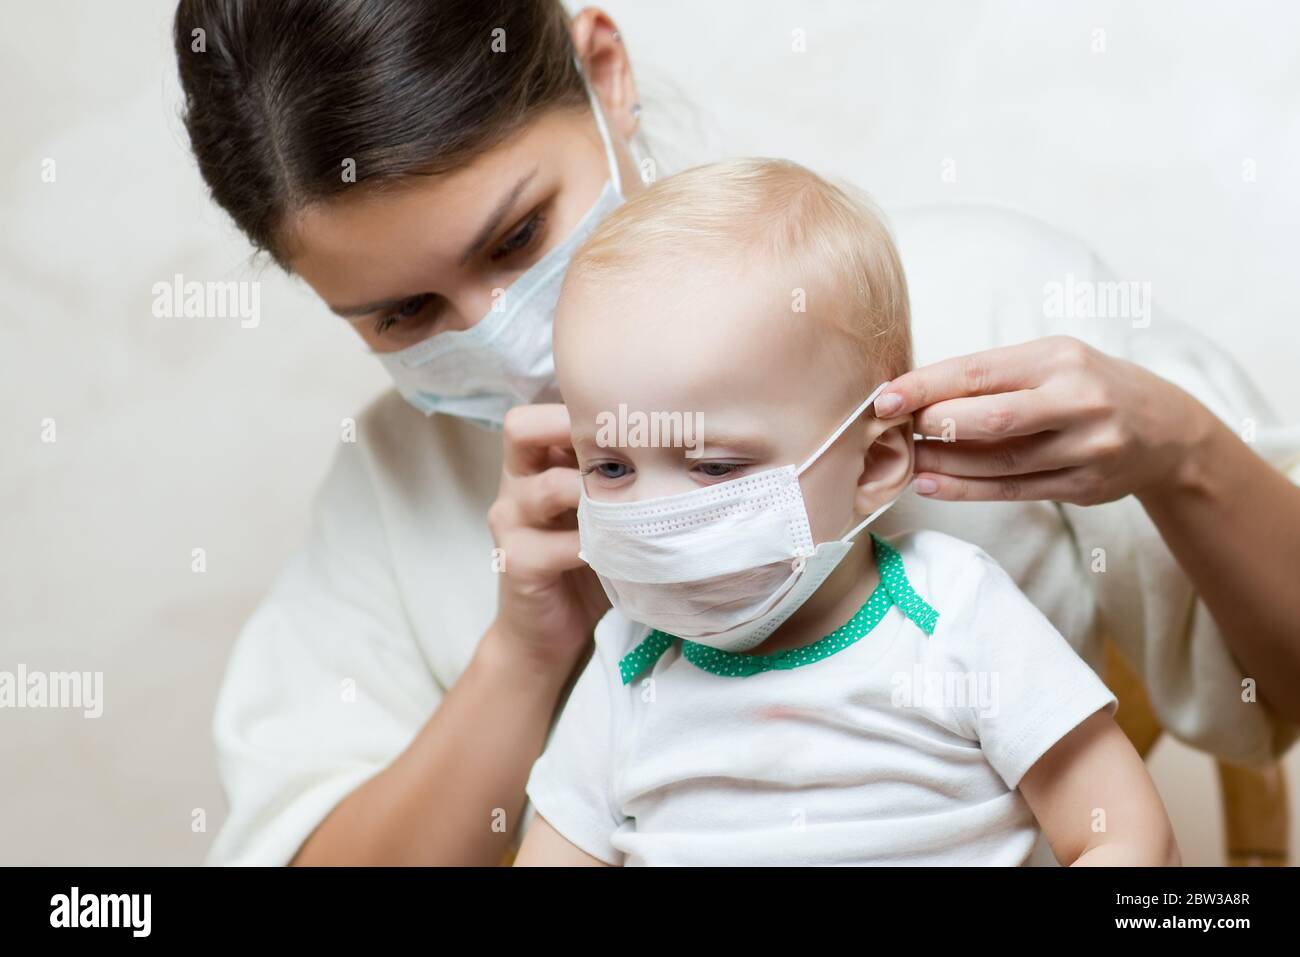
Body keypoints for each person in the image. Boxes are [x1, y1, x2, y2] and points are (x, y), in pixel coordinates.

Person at [171, 0, 1299, 865]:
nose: (506, 338)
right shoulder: (390, 484)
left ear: (604, 76)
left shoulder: (984, 298)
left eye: (518, 239)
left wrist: (1183, 457)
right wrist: (526, 651)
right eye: (402, 315)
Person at [515, 158, 1179, 866]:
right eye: (611, 467)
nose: (653, 517)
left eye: (714, 466)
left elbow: (1123, 832)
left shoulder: (952, 615)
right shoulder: (627, 659)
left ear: (876, 462)